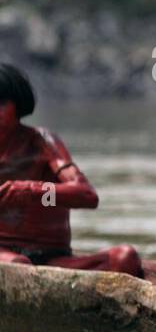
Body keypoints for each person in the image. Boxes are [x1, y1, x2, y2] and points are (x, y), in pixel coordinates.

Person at [0, 63, 142, 275]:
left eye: (0, 103)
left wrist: (33, 192)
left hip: (53, 259)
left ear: (18, 105)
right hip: (6, 256)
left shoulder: (42, 143)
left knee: (124, 258)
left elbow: (86, 196)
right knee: (17, 266)